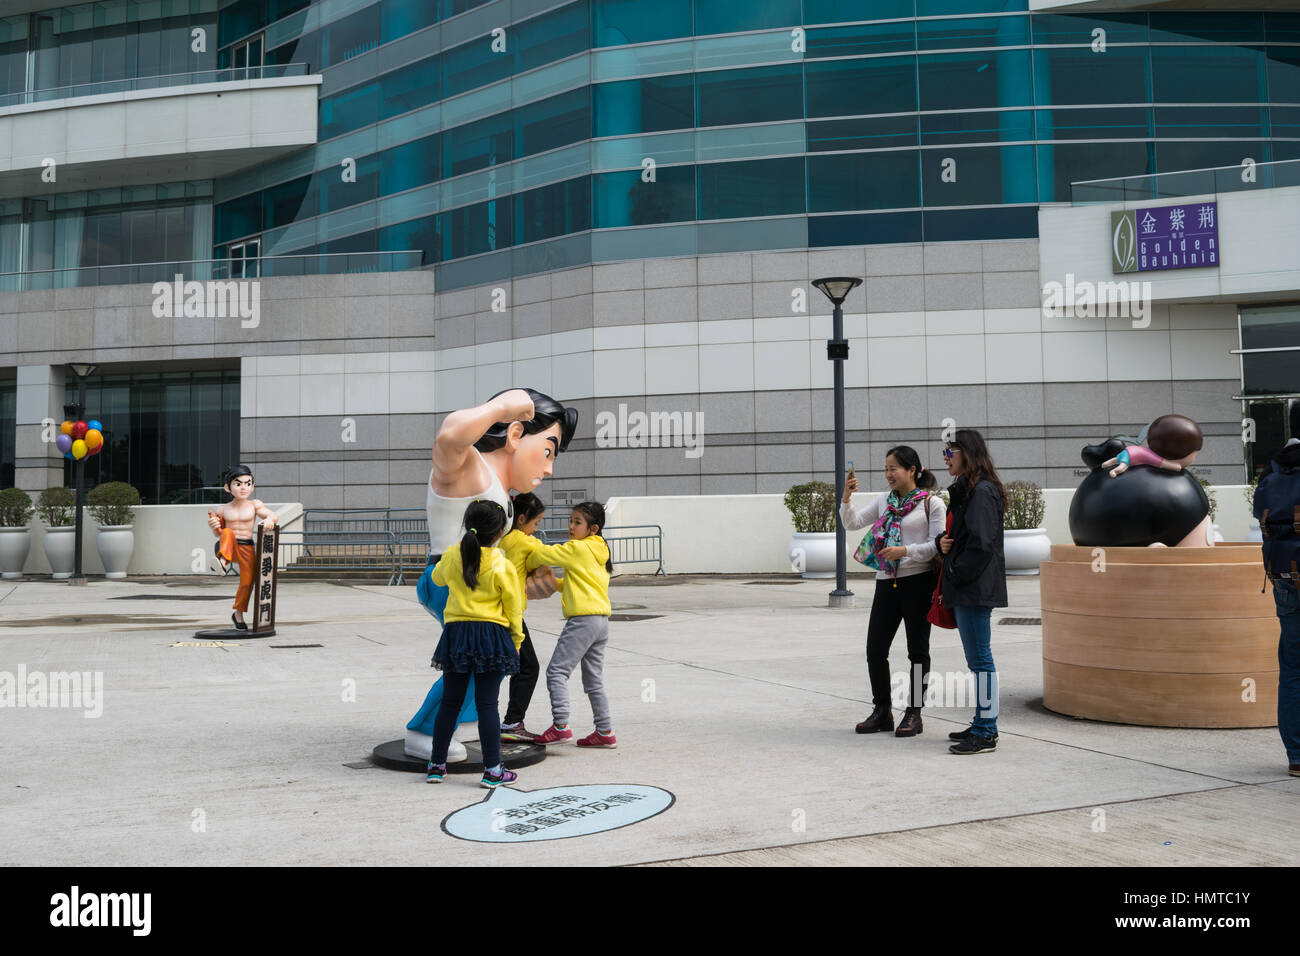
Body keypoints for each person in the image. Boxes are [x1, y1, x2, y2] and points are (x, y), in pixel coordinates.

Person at [405, 387, 577, 764]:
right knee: (476, 659)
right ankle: (424, 732)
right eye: (548, 451)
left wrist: (526, 581)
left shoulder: (499, 490)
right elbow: (449, 434)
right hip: (450, 580)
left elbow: (498, 552)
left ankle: (455, 719)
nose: (548, 468)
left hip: (475, 583)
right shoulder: (468, 468)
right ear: (515, 434)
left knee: (490, 661)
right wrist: (499, 408)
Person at [842, 446, 946, 737]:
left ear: (912, 470)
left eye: (894, 469)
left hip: (918, 583)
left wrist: (904, 550)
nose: (888, 474)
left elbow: (936, 545)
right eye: (886, 469)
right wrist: (846, 496)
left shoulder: (932, 504)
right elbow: (851, 523)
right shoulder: (883, 502)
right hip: (886, 582)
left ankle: (914, 713)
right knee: (875, 650)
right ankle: (882, 710)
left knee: (917, 652)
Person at [426, 500, 524, 787]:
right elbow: (513, 608)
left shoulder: (454, 554)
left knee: (450, 703)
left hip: (457, 634)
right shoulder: (500, 564)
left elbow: (437, 577)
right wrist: (516, 640)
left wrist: (448, 560)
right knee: (487, 705)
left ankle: (436, 765)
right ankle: (493, 770)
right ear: (499, 532)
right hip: (491, 636)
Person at [937, 429, 1007, 754]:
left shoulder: (981, 492)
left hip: (974, 587)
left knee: (980, 660)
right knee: (977, 659)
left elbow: (981, 545)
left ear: (967, 452)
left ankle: (986, 732)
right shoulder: (971, 490)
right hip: (971, 586)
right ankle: (982, 721)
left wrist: (953, 569)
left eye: (950, 452)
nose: (946, 459)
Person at [527, 501, 616, 748]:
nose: (571, 526)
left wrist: (525, 548)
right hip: (601, 623)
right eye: (571, 520)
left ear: (593, 528)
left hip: (583, 621)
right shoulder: (600, 550)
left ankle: (561, 726)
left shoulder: (578, 548)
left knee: (556, 671)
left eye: (578, 522)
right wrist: (556, 584)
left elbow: (541, 554)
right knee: (594, 680)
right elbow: (580, 583)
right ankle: (605, 731)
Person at [1254, 403, 1300, 777]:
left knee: (1293, 669)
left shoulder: (1276, 467)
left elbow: (1261, 516)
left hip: (1284, 576)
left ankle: (1297, 756)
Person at [497, 492, 554, 742]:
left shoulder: (501, 538)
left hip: (493, 611)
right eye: (536, 523)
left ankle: (504, 720)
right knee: (528, 667)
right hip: (512, 615)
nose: (536, 529)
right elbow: (553, 556)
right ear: (521, 519)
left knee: (504, 667)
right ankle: (512, 722)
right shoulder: (523, 541)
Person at [207, 465, 277, 631]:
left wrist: (269, 520)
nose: (243, 487)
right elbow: (219, 534)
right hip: (228, 545)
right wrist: (213, 526)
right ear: (227, 487)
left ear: (252, 486)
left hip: (246, 547)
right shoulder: (222, 509)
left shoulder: (254, 505)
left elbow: (273, 515)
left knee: (247, 583)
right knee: (228, 532)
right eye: (238, 484)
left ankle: (238, 613)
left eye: (247, 483)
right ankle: (222, 562)